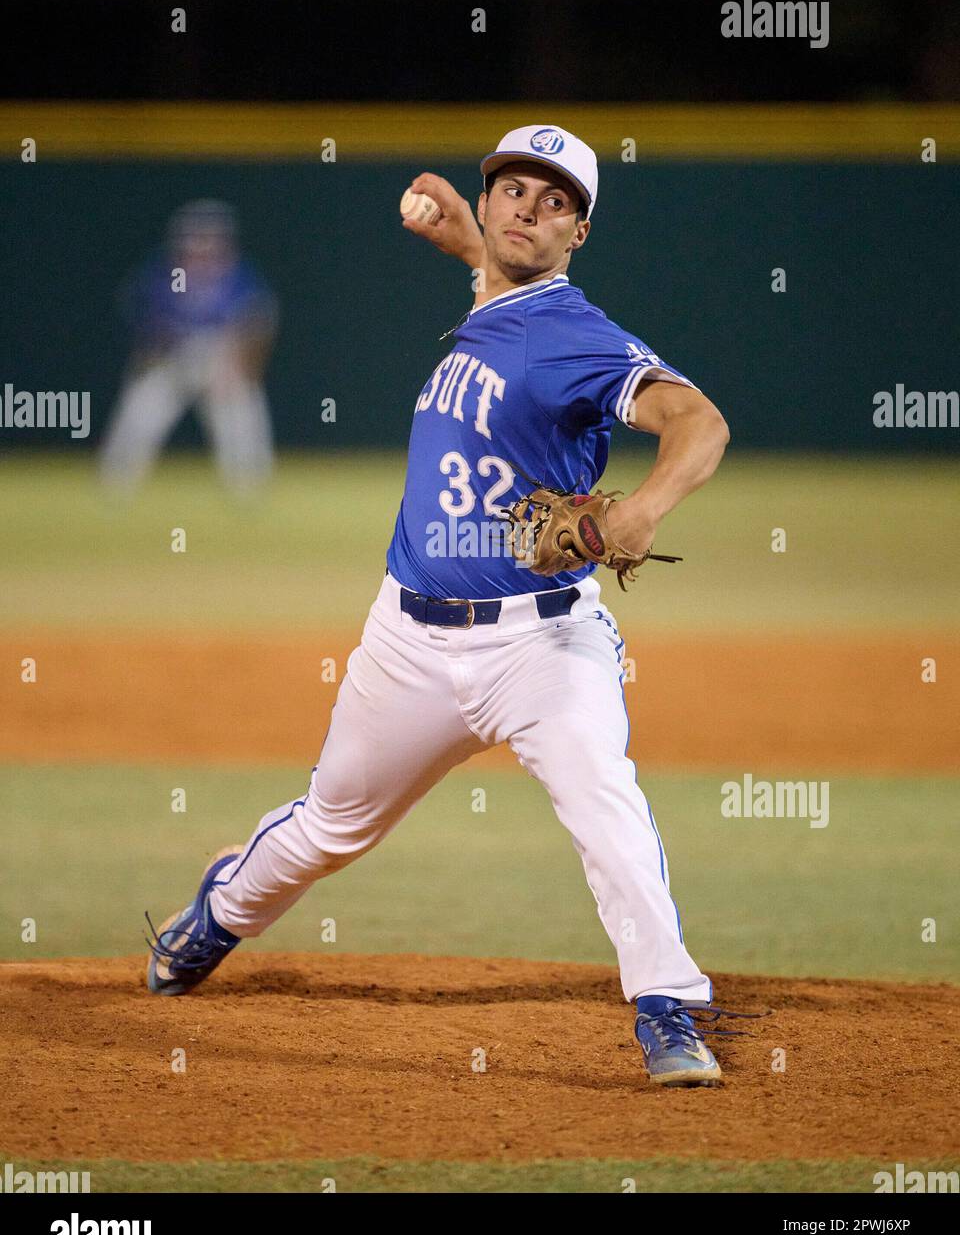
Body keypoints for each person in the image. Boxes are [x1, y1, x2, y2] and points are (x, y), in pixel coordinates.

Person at [146, 126, 749, 1087]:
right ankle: (217, 915)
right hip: (407, 642)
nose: (529, 208)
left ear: (579, 232)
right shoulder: (497, 300)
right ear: (494, 196)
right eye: (514, 188)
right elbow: (501, 290)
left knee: (604, 801)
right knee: (328, 829)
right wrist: (469, 246)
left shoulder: (584, 338)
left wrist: (641, 509)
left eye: (555, 202)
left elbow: (699, 421)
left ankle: (669, 1010)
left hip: (543, 646)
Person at [99, 199, 277, 494]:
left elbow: (258, 321)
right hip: (174, 357)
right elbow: (145, 321)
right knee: (142, 410)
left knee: (241, 415)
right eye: (196, 241)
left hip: (221, 356)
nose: (202, 248)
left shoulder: (237, 276)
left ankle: (248, 486)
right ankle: (116, 481)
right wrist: (150, 356)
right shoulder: (163, 274)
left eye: (209, 241)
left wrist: (240, 364)